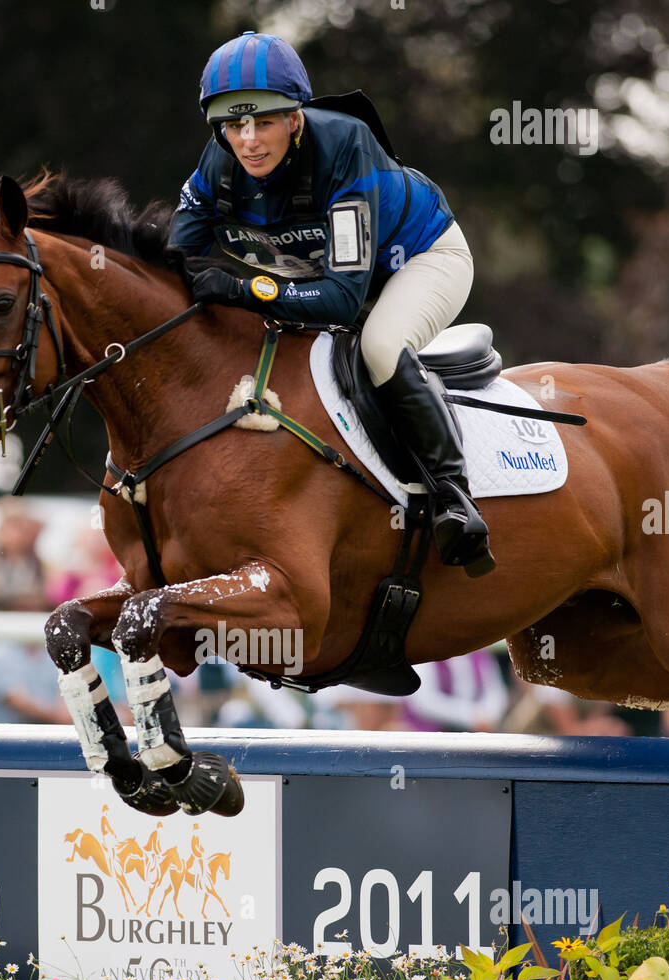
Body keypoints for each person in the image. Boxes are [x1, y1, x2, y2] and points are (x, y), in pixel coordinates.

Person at [170, 30, 494, 578]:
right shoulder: (218, 163)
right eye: (233, 126)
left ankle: (453, 498)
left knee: (381, 345)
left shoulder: (344, 146)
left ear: (295, 119)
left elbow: (343, 302)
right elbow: (172, 259)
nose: (248, 142)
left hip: (419, 259)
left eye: (263, 122)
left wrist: (241, 288)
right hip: (332, 277)